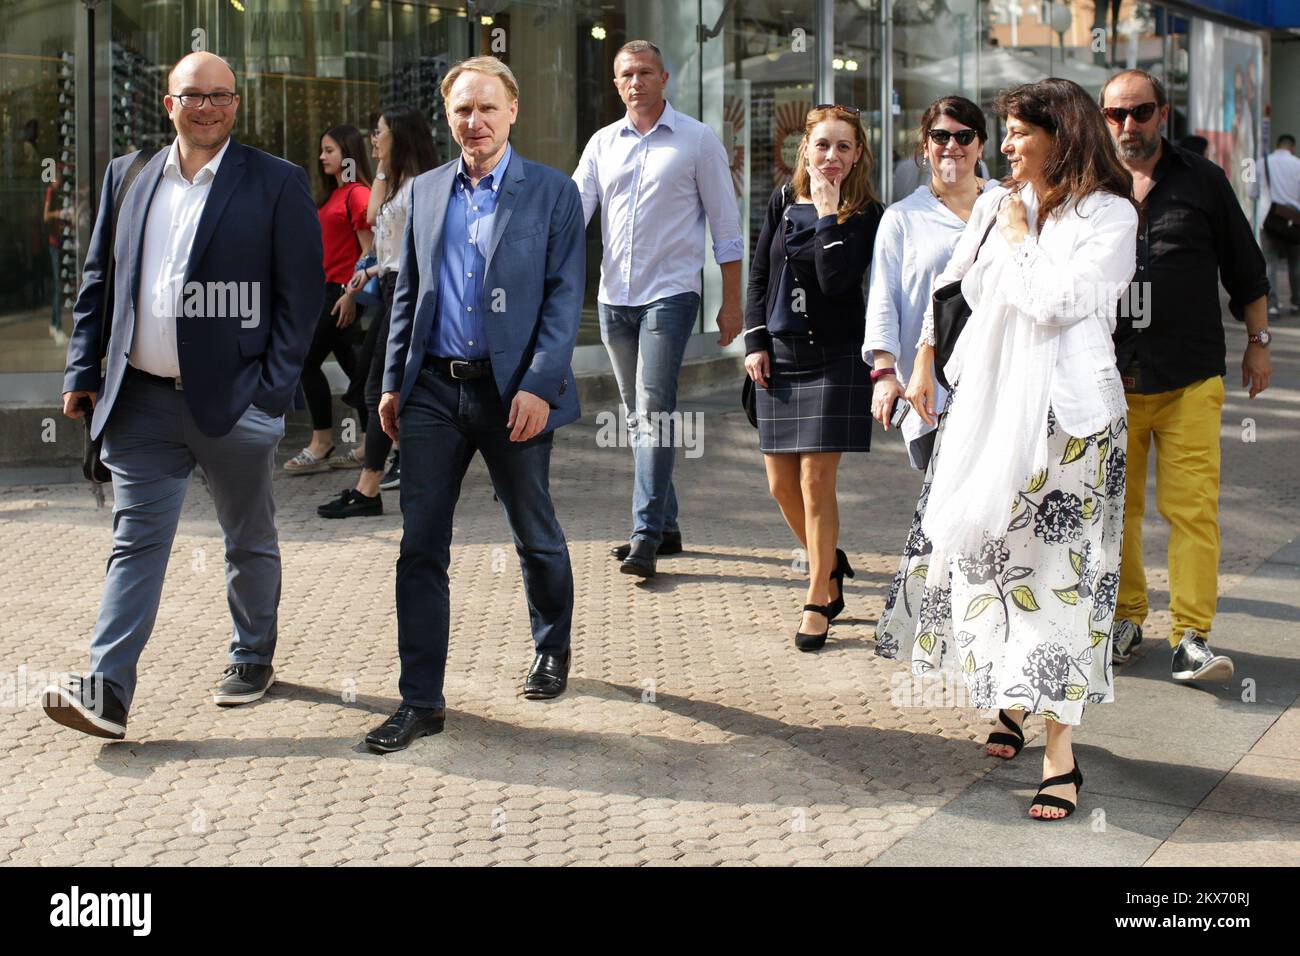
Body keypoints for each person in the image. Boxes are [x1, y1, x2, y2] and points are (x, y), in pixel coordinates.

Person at [879, 78, 1139, 820]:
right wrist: (923, 362)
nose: (1010, 145)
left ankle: (1060, 754)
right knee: (990, 563)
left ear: (1063, 134)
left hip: (1073, 424)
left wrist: (1023, 239)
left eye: (1022, 132)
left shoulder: (1110, 215)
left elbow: (1058, 301)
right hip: (989, 411)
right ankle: (1011, 698)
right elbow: (952, 287)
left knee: (1063, 580)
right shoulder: (996, 204)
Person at [43, 52, 323, 739]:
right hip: (139, 401)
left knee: (247, 537)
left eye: (221, 96)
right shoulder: (129, 174)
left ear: (237, 104)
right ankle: (108, 692)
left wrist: (269, 393)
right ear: (169, 104)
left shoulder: (276, 183)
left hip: (236, 400)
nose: (208, 107)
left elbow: (302, 300)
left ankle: (253, 657)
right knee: (136, 541)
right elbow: (98, 282)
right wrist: (85, 370)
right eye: (193, 96)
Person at [366, 56, 584, 753]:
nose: (475, 121)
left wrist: (539, 385)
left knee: (533, 529)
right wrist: (393, 382)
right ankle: (420, 701)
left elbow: (563, 299)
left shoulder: (552, 194)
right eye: (463, 109)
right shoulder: (426, 192)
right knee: (419, 544)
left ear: (512, 111)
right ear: (449, 116)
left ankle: (552, 645)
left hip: (513, 390)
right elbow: (409, 291)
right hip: (432, 387)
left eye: (488, 107)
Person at [1100, 69, 1273, 680]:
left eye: (1140, 112)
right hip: (1109, 382)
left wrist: (1258, 342)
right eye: (1116, 114)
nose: (1128, 126)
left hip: (1190, 378)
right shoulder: (1091, 187)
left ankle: (1191, 636)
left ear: (1162, 113)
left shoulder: (1204, 180)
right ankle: (1125, 620)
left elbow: (1246, 269)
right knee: (1115, 510)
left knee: (1192, 509)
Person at [572, 40, 743, 577]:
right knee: (640, 415)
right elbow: (571, 214)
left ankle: (644, 533)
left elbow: (728, 228)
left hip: (670, 296)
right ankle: (667, 527)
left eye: (645, 72)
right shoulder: (602, 144)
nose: (635, 82)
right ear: (616, 82)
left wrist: (731, 305)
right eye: (626, 74)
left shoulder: (697, 140)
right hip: (612, 300)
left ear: (664, 77)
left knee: (653, 411)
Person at [742, 104, 884, 651]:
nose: (832, 156)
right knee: (779, 484)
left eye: (844, 147)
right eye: (823, 145)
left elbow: (836, 282)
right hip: (779, 354)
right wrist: (754, 342)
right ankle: (832, 564)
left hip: (835, 357)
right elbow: (760, 274)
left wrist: (828, 216)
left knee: (814, 481)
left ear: (857, 155)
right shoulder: (780, 199)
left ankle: (818, 596)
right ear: (805, 148)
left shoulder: (867, 213)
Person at [866, 95, 998, 473]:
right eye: (940, 136)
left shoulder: (1008, 204)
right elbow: (883, 300)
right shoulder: (902, 217)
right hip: (932, 388)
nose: (952, 146)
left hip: (1001, 379)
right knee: (943, 504)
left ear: (981, 145)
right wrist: (885, 373)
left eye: (964, 136)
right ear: (925, 147)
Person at [317, 106, 437, 518]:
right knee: (376, 386)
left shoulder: (423, 185)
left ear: (400, 135)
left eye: (379, 132)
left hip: (408, 289)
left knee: (375, 388)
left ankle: (369, 488)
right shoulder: (398, 180)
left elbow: (419, 249)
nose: (372, 138)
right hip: (387, 284)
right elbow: (373, 220)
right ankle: (393, 469)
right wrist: (368, 271)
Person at [283, 125, 373, 474]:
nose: (322, 156)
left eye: (330, 150)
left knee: (305, 361)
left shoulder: (357, 194)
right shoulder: (335, 194)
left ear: (348, 153)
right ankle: (372, 442)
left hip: (343, 291)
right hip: (327, 289)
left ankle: (321, 442)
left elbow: (370, 253)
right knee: (356, 370)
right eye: (322, 150)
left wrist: (351, 296)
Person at [1261, 133, 1300, 318]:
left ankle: (1272, 306)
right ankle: (1296, 303)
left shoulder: (1262, 162)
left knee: (1270, 263)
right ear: (1292, 147)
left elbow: (1253, 192)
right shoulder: (1298, 164)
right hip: (1294, 222)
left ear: (1277, 145)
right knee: (1296, 263)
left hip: (1269, 220)